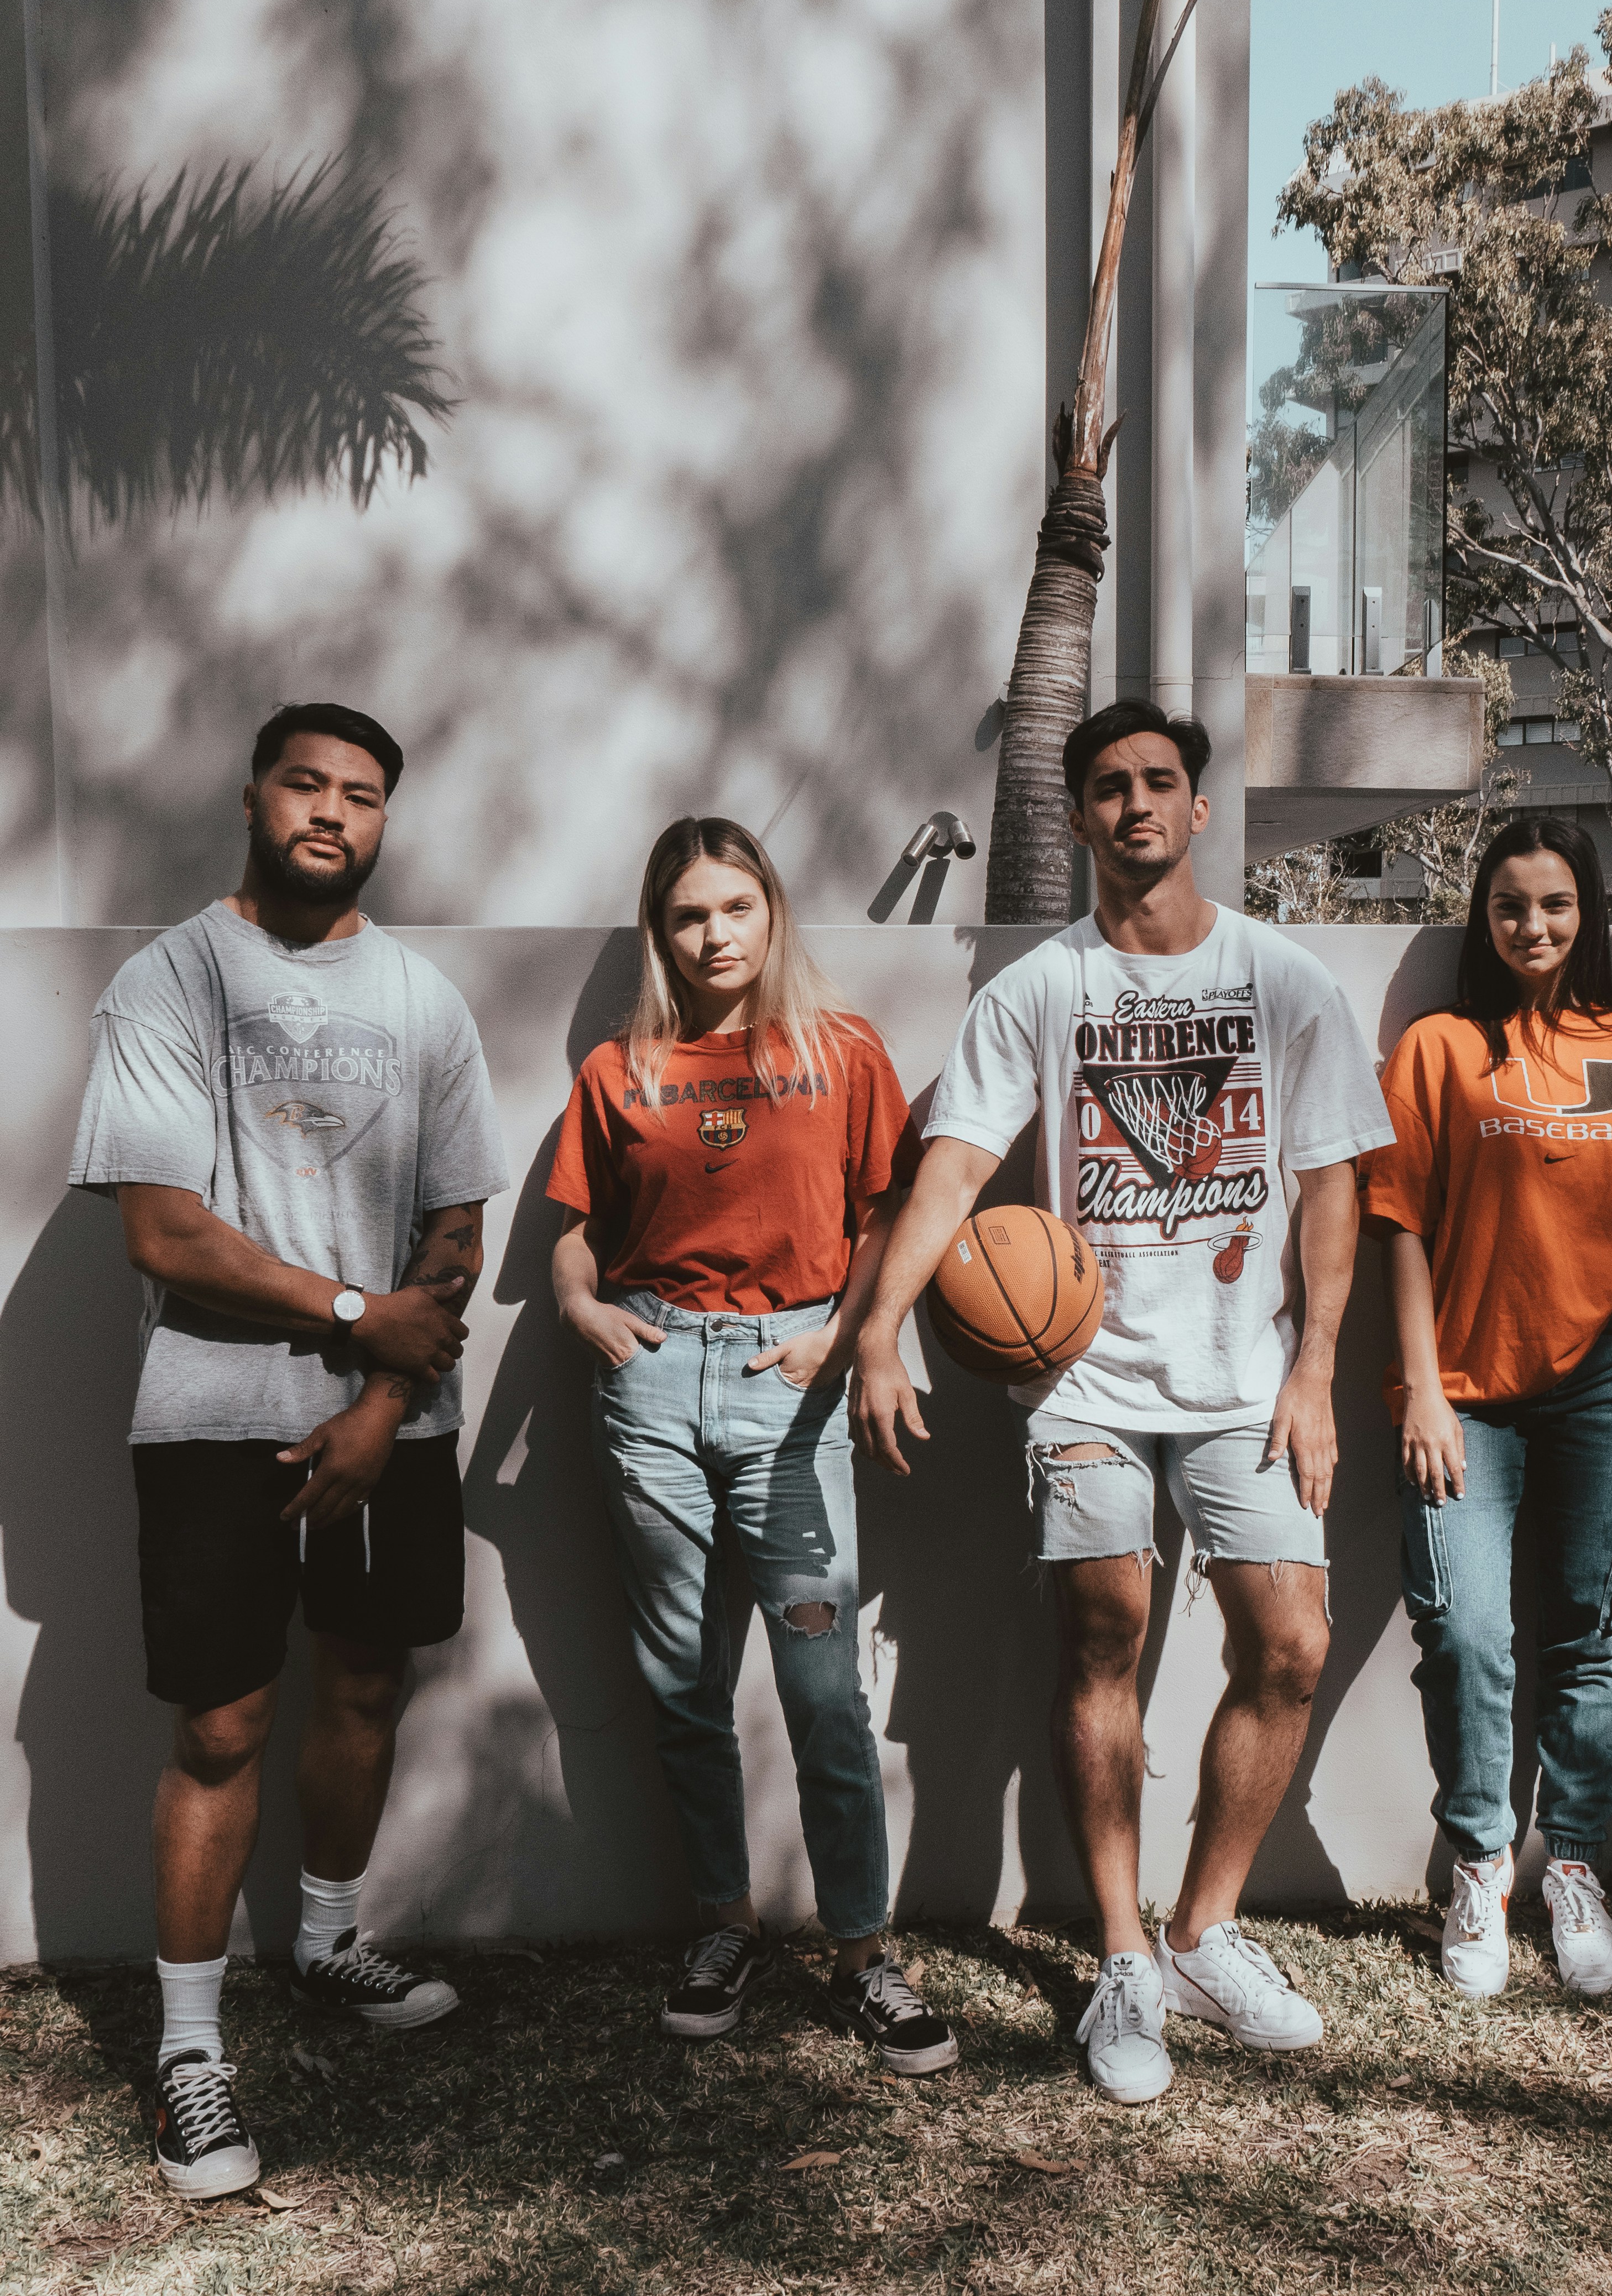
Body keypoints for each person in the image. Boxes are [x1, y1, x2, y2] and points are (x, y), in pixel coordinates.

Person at [849, 700, 1394, 2105]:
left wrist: (1320, 1364)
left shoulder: (1286, 980)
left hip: (1245, 1375)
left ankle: (1206, 1929)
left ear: (1199, 811)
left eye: (1161, 782)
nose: (1138, 804)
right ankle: (1118, 1959)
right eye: (1110, 787)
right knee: (1105, 1637)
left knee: (1289, 1642)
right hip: (1082, 1372)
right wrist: (880, 1330)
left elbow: (1336, 1182)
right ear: (1080, 819)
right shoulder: (1038, 989)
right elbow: (956, 1170)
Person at [69, 703, 510, 2199]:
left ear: (385, 820)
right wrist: (348, 1313)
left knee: (370, 1681)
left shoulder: (424, 1000)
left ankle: (326, 1942)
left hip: (393, 1425)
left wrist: (383, 1405)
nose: (332, 811)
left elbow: (456, 1233)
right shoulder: (168, 980)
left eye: (362, 794)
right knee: (222, 1729)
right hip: (215, 1420)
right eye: (307, 784)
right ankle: (191, 2054)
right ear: (252, 793)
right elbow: (164, 1229)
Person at [547, 818, 956, 2076]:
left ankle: (863, 1952)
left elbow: (888, 1209)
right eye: (688, 916)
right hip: (657, 1380)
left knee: (825, 1692)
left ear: (771, 912)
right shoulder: (624, 1069)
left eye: (735, 908)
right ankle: (724, 1927)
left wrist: (843, 1336)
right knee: (683, 1678)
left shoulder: (841, 1053)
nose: (714, 935)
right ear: (660, 932)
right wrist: (581, 1309)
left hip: (793, 1382)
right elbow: (573, 1224)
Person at [1361, 816, 1612, 2001]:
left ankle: (1573, 1867)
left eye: (1556, 904)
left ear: (1588, 914)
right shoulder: (1438, 1050)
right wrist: (1418, 1388)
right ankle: (1478, 1863)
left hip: (1605, 1381)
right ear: (1484, 917)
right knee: (1462, 1634)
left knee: (1589, 1634)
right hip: (1461, 1386)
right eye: (1511, 905)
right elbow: (1396, 1222)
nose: (1534, 926)